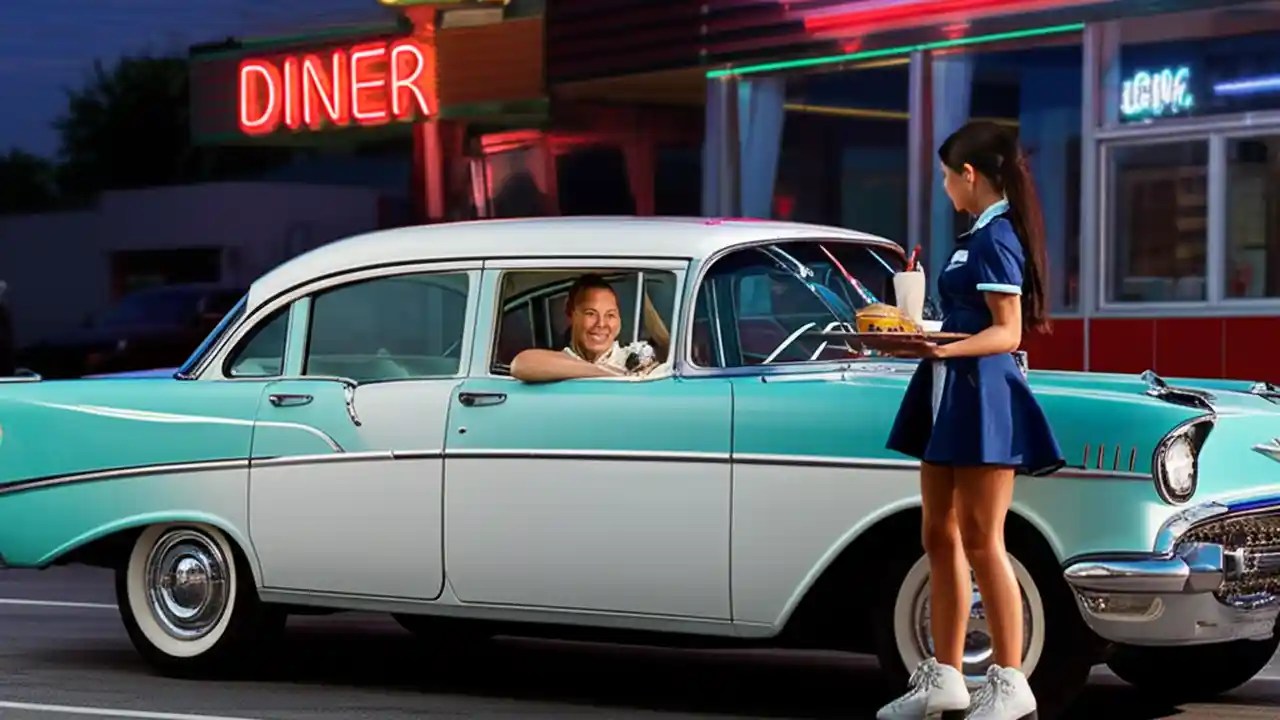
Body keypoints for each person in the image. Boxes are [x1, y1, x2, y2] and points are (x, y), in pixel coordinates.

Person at [876, 121, 1064, 720]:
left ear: (970, 175)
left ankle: (1011, 681)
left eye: (944, 176)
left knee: (985, 541)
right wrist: (926, 342)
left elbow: (1007, 332)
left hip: (982, 396)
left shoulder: (996, 237)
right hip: (947, 393)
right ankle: (946, 676)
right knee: (938, 535)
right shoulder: (972, 236)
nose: (943, 187)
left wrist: (942, 349)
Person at [510, 274, 665, 382]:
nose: (601, 324)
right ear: (570, 313)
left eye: (610, 315)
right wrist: (611, 375)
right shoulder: (559, 363)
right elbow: (521, 364)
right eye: (591, 313)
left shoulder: (634, 359)